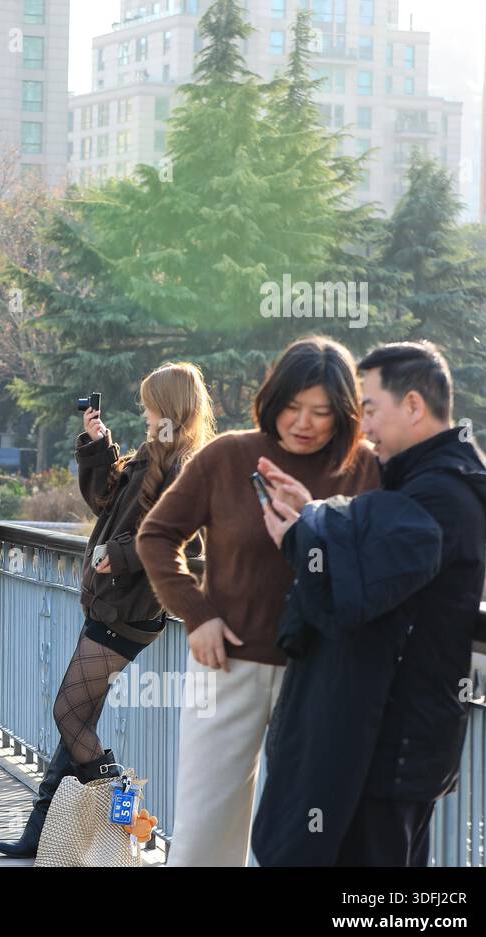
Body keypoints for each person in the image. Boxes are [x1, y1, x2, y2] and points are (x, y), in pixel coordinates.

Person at [251, 342, 486, 867]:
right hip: (391, 736)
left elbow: (358, 599)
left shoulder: (438, 496)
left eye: (370, 406)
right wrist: (312, 517)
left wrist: (303, 536)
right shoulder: (428, 485)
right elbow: (364, 562)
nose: (363, 423)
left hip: (391, 742)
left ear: (413, 406)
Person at [136, 337, 382, 866]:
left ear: (344, 414)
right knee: (205, 830)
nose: (304, 422)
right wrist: (197, 615)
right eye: (293, 406)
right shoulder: (228, 456)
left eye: (321, 411)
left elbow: (382, 559)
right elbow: (156, 536)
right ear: (273, 400)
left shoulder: (365, 468)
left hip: (321, 670)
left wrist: (315, 517)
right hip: (227, 663)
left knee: (305, 832)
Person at [0, 363, 218, 858]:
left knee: (68, 715)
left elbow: (183, 541)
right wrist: (99, 445)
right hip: (113, 603)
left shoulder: (185, 464)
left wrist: (115, 555)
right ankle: (40, 831)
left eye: (149, 403)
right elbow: (105, 501)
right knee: (79, 718)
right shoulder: (155, 455)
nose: (144, 410)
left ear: (170, 407)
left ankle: (134, 820)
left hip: (131, 610)